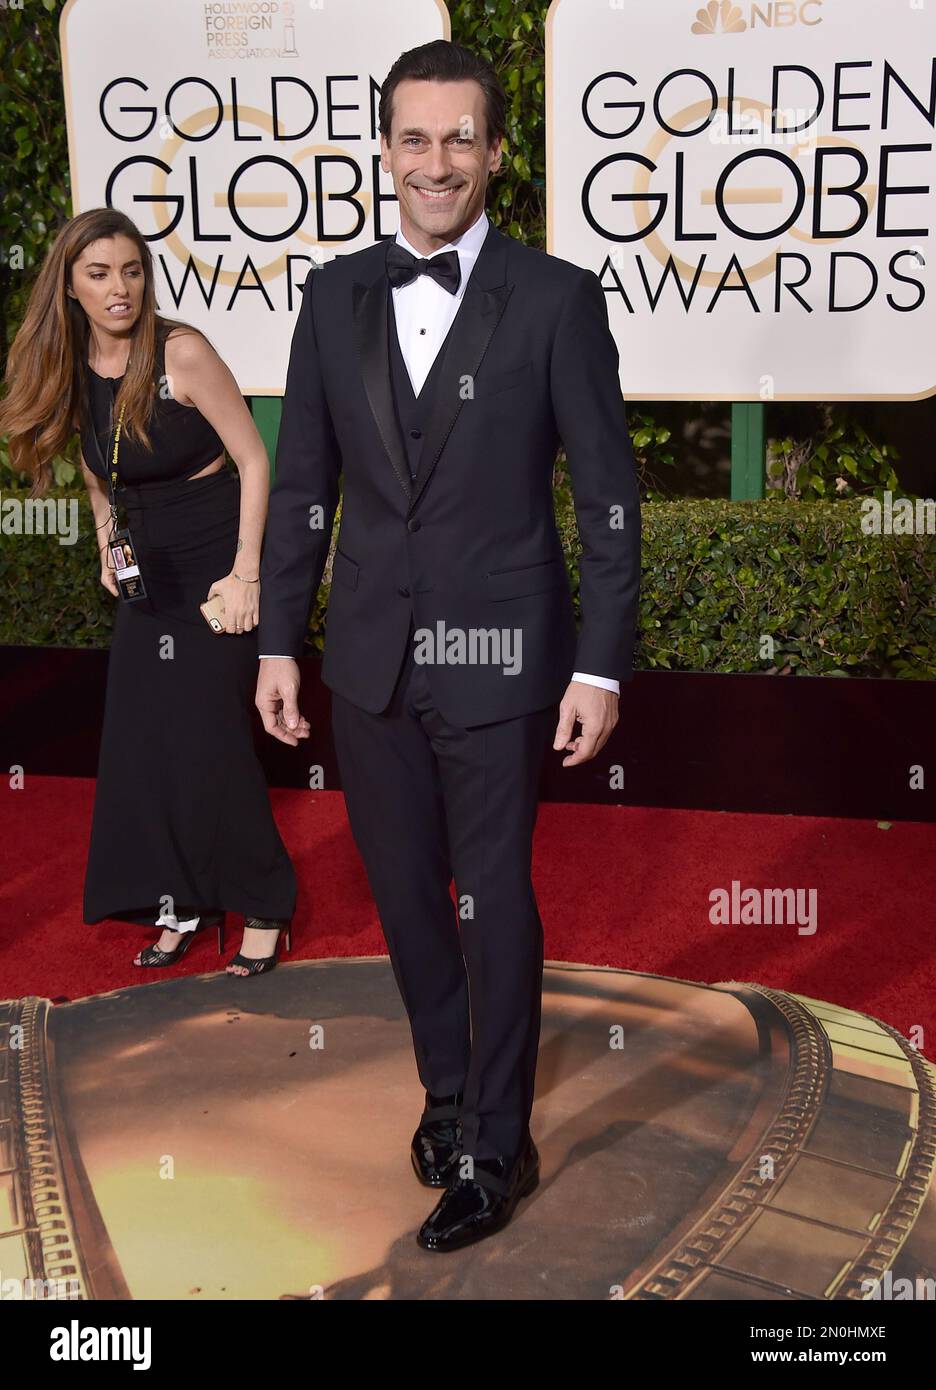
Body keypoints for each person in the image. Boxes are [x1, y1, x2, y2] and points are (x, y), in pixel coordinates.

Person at [256, 41, 641, 1250]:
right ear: (384, 149)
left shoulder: (558, 299)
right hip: (367, 650)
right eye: (414, 139)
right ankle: (442, 1087)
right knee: (405, 891)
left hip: (502, 652)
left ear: (495, 151)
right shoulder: (333, 295)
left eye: (461, 138)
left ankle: (495, 1138)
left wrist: (599, 662)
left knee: (493, 896)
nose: (438, 162)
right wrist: (278, 640)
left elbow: (611, 498)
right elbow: (307, 482)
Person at [0, 208, 296, 976]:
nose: (119, 288)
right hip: (147, 574)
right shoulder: (71, 368)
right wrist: (106, 538)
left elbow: (256, 462)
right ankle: (180, 900)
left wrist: (246, 574)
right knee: (144, 744)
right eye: (99, 274)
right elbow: (102, 475)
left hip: (212, 560)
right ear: (69, 286)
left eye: (131, 270)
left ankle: (264, 902)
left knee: (212, 740)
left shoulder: (182, 353)